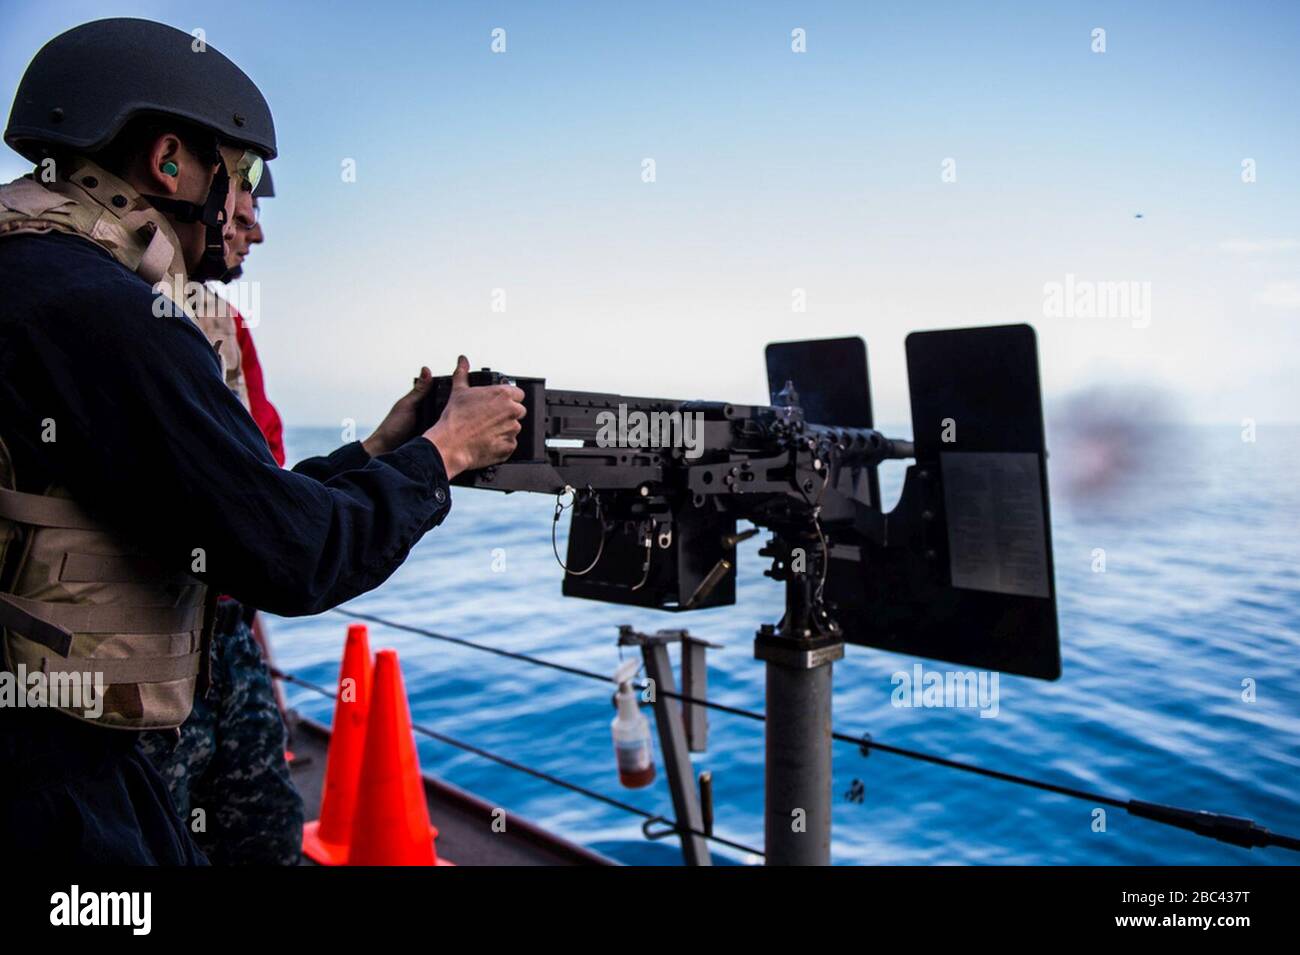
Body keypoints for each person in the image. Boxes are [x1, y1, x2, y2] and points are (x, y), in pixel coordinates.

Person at [0, 18, 525, 863]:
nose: (251, 213)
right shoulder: (109, 314)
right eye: (237, 173)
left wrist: (379, 451)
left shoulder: (33, 272)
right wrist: (446, 455)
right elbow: (287, 551)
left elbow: (214, 495)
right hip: (57, 777)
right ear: (171, 163)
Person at [139, 166, 302, 865]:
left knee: (264, 824)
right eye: (241, 208)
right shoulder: (125, 313)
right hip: (144, 648)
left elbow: (253, 499)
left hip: (226, 630)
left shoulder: (225, 326)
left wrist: (258, 657)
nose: (253, 230)